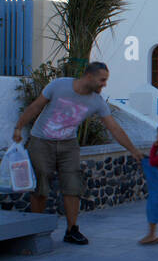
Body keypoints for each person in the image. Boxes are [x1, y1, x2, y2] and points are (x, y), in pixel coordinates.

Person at [12, 61, 145, 245]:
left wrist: (133, 150)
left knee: (73, 186)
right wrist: (19, 127)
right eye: (102, 80)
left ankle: (72, 230)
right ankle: (36, 230)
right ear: (89, 76)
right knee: (41, 186)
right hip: (42, 141)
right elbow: (36, 106)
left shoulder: (97, 101)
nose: (104, 84)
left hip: (69, 144)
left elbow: (114, 128)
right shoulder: (59, 86)